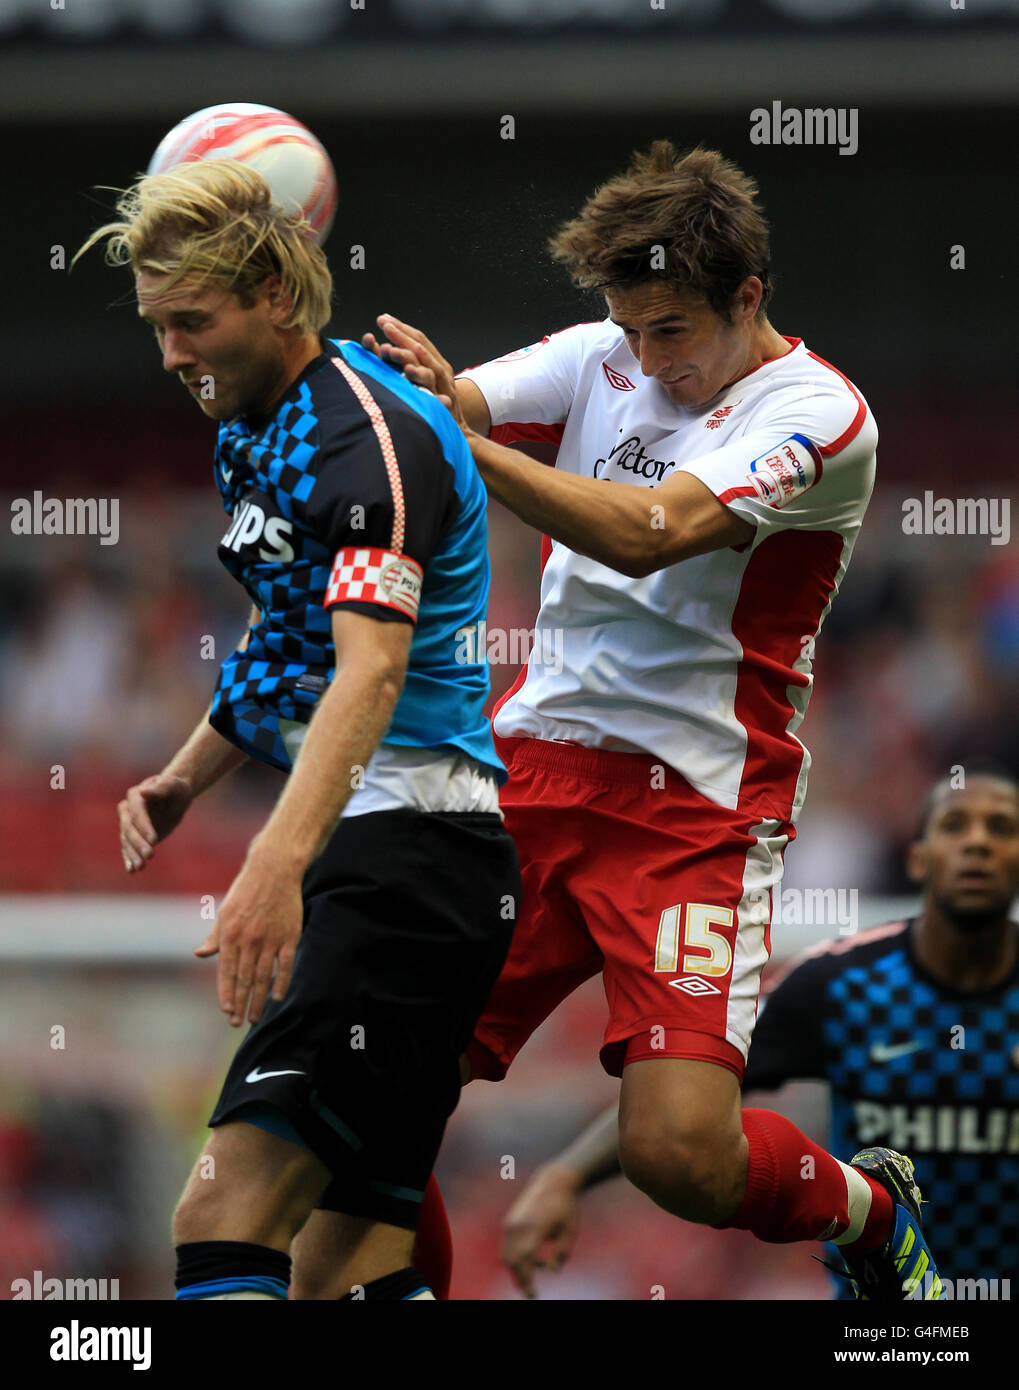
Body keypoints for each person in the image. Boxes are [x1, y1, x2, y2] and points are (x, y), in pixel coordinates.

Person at [347, 138, 940, 1300]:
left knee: (676, 1155)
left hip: (694, 814)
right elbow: (455, 404)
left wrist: (459, 442)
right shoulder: (601, 356)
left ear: (747, 297)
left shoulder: (820, 416)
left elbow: (650, 529)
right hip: (528, 778)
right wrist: (425, 395)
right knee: (375, 1076)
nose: (645, 357)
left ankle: (869, 1212)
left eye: (669, 329)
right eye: (628, 329)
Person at [74, 159, 520, 1301]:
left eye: (191, 321)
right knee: (351, 1267)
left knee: (221, 1211)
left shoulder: (365, 439)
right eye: (153, 326)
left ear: (276, 293)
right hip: (402, 867)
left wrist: (272, 856)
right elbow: (288, 639)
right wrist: (185, 775)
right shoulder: (249, 426)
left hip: (409, 863)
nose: (170, 354)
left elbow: (369, 674)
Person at [499, 764, 1019, 1300]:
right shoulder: (844, 984)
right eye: (956, 826)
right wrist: (563, 1175)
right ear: (917, 857)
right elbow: (682, 1106)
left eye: (1001, 829)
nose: (977, 843)